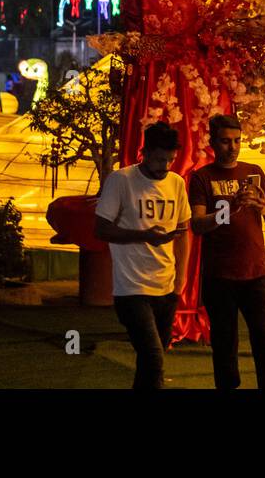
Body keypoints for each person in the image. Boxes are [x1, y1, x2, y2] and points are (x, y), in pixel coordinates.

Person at [189, 114, 265, 390]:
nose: (233, 147)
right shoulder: (202, 178)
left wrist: (262, 206)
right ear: (212, 143)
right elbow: (197, 224)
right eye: (226, 141)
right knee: (225, 344)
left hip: (254, 272)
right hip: (219, 276)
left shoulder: (254, 171)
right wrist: (229, 208)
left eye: (237, 140)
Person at [94, 122, 190, 389]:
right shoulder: (121, 180)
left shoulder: (177, 183)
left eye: (171, 159)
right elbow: (101, 229)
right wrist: (144, 235)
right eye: (160, 159)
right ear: (143, 152)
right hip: (131, 289)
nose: (166, 166)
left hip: (166, 286)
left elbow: (183, 232)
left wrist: (179, 280)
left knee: (152, 361)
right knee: (152, 356)